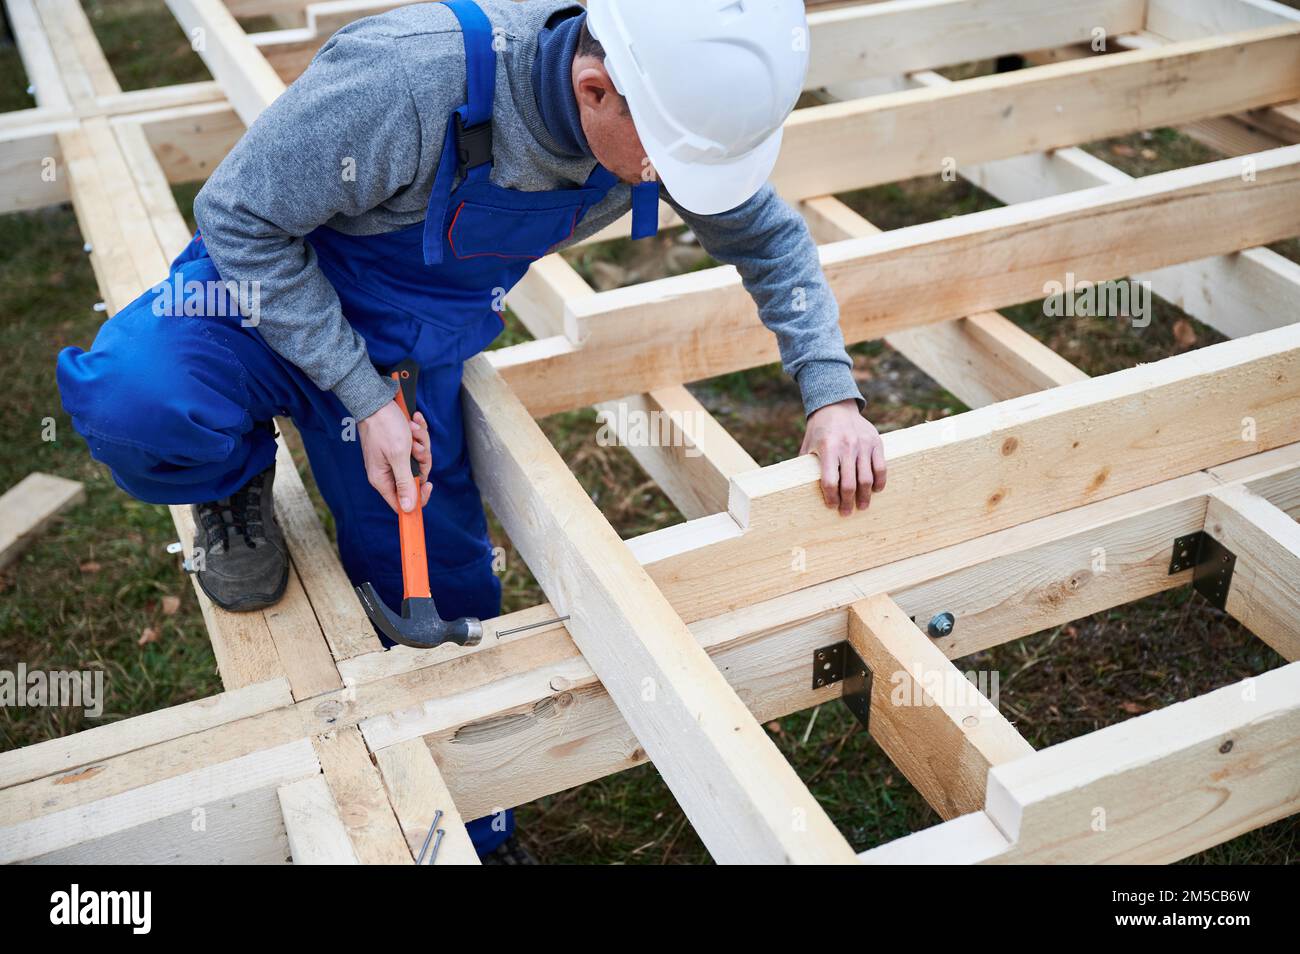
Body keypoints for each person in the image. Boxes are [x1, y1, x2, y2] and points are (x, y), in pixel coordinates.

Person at [55, 0, 887, 863]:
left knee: (444, 588)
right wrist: (357, 392)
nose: (666, 180)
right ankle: (231, 476)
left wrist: (831, 395)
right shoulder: (409, 80)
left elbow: (774, 244)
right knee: (135, 401)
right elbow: (237, 216)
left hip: (407, 344)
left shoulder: (663, 109)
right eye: (664, 162)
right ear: (594, 88)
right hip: (262, 297)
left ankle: (477, 829)